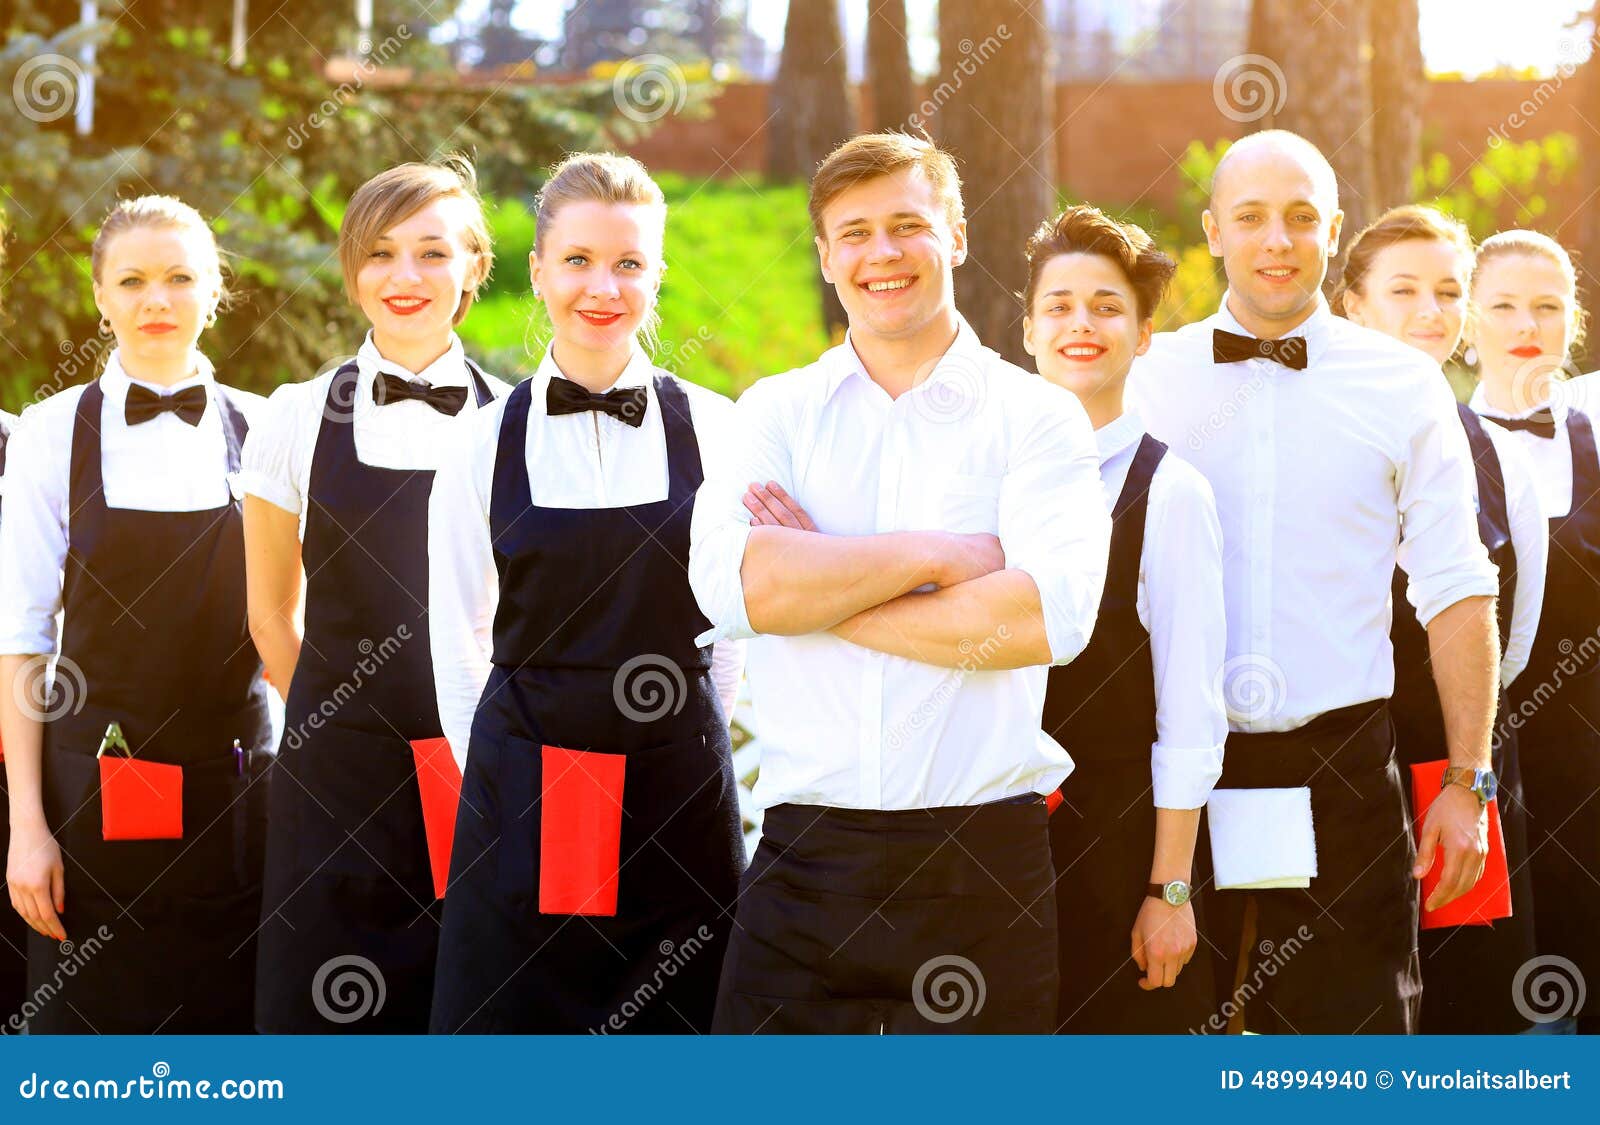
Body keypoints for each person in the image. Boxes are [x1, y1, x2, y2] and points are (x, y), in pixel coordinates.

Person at [690, 132, 1111, 1034]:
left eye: (906, 225)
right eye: (854, 233)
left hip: (981, 869)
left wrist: (823, 586)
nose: (881, 254)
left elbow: (1045, 617)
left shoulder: (1037, 417)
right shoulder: (774, 412)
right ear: (825, 256)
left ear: (956, 235)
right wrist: (936, 556)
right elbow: (732, 587)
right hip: (804, 861)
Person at [1127, 131, 1499, 1034]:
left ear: (1335, 229)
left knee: (1354, 1056)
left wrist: (1469, 780)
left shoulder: (1405, 385)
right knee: (1167, 1056)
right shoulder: (1147, 377)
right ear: (1213, 231)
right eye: (1250, 218)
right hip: (1170, 781)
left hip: (1343, 772)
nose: (1277, 241)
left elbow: (1455, 586)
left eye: (1301, 218)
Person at [427, 152, 745, 1034]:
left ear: (658, 274)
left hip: (678, 800)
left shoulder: (721, 430)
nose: (602, 287)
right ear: (537, 271)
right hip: (522, 798)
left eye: (629, 263)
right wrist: (502, 792)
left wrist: (687, 737)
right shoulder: (477, 444)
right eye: (577, 260)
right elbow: (456, 640)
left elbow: (738, 631)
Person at [243, 158, 507, 1033]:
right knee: (320, 1020)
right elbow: (269, 613)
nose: (405, 278)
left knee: (468, 1012)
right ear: (354, 268)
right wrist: (333, 726)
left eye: (433, 252)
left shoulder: (514, 421)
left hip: (478, 775)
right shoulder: (295, 414)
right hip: (332, 781)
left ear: (474, 267)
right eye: (381, 253)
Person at [1, 196, 270, 1033]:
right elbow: (19, 645)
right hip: (88, 811)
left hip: (237, 799)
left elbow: (293, 628)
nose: (158, 300)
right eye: (134, 280)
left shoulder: (266, 431)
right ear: (101, 298)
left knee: (231, 1045)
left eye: (181, 277)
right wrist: (27, 829)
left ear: (215, 289)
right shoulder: (50, 433)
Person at [1338, 205, 1545, 1034]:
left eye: (1449, 291)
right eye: (1404, 290)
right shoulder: (1318, 432)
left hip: (1463, 761)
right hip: (1347, 762)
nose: (1431, 310)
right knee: (1363, 1007)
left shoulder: (1495, 448)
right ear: (1353, 304)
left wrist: (1469, 766)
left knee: (1472, 1008)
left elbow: (1518, 623)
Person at [1021, 204, 1227, 1033]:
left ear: (1144, 336)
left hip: (1115, 852)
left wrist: (1168, 891)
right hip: (979, 848)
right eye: (1059, 305)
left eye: (1107, 306)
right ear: (1027, 327)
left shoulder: (1172, 492)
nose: (1081, 324)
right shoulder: (979, 478)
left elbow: (1191, 716)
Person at [1466, 229, 1598, 1034]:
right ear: (1470, 319)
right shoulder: (1435, 437)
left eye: (1547, 306)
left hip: (1595, 751)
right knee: (1493, 983)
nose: (1527, 323)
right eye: (1505, 305)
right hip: (1484, 751)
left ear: (1573, 320)